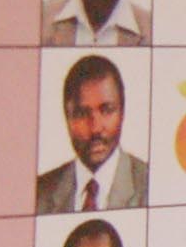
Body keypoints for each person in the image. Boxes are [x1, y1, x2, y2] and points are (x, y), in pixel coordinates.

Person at [34, 55, 147, 214]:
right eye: (81, 114)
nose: (95, 128)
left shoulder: (150, 184)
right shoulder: (39, 192)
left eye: (106, 110)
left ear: (122, 112)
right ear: (67, 117)